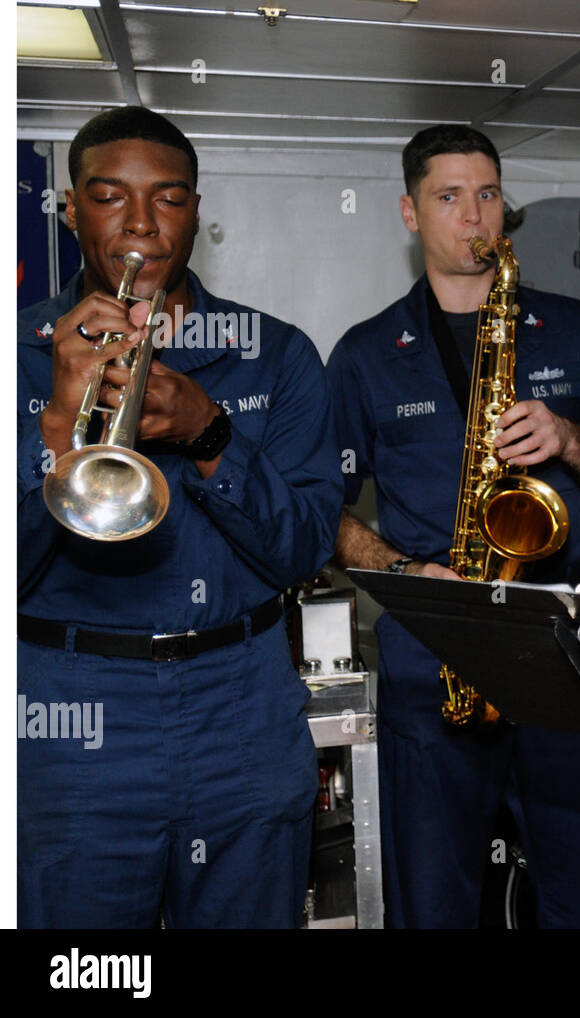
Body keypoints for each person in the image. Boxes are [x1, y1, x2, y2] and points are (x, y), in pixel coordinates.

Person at [17, 107, 342, 928]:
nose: (138, 224)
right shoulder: (17, 348)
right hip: (73, 708)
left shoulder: (277, 353)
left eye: (167, 199)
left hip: (241, 702)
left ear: (196, 212)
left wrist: (209, 433)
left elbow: (303, 549)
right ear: (70, 209)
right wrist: (56, 433)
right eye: (107, 196)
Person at [327, 125, 580, 928]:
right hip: (433, 648)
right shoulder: (366, 354)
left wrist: (571, 439)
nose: (476, 217)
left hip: (561, 652)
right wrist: (404, 574)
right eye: (449, 197)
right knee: (432, 904)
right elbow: (317, 512)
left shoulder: (571, 326)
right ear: (410, 212)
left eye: (489, 194)